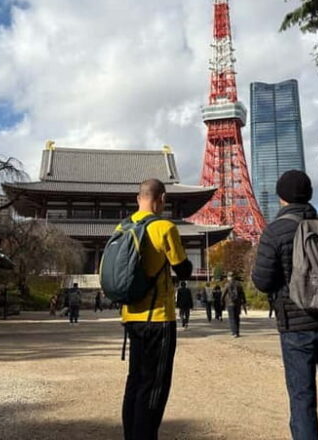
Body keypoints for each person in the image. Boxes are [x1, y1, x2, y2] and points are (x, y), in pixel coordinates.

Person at [251, 170, 318, 440]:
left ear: (281, 197)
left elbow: (263, 281)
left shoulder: (276, 230)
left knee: (302, 396)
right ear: (310, 194)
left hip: (296, 323)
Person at [121, 179, 192, 440]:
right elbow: (182, 268)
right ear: (161, 198)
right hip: (159, 318)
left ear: (138, 198)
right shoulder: (164, 227)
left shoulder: (123, 226)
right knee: (155, 385)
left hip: (131, 316)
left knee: (135, 381)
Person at [221, 273, 246, 337]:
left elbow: (223, 294)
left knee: (232, 318)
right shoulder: (239, 284)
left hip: (230, 303)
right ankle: (237, 332)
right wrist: (244, 302)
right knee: (237, 317)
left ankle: (234, 332)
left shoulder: (227, 284)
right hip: (238, 303)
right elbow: (242, 294)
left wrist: (222, 301)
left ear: (229, 277)